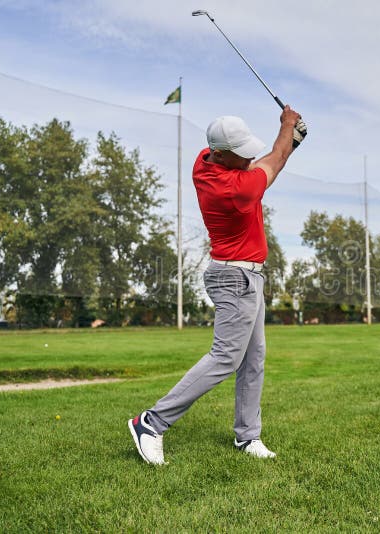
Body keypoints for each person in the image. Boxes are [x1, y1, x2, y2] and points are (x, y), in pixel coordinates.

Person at [128, 106, 306, 464]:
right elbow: (274, 162)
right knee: (225, 357)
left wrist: (290, 141)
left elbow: (272, 157)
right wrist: (289, 128)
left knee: (253, 359)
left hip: (246, 276)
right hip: (234, 278)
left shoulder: (204, 162)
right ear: (222, 154)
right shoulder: (234, 190)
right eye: (241, 154)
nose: (249, 157)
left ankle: (247, 437)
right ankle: (151, 422)